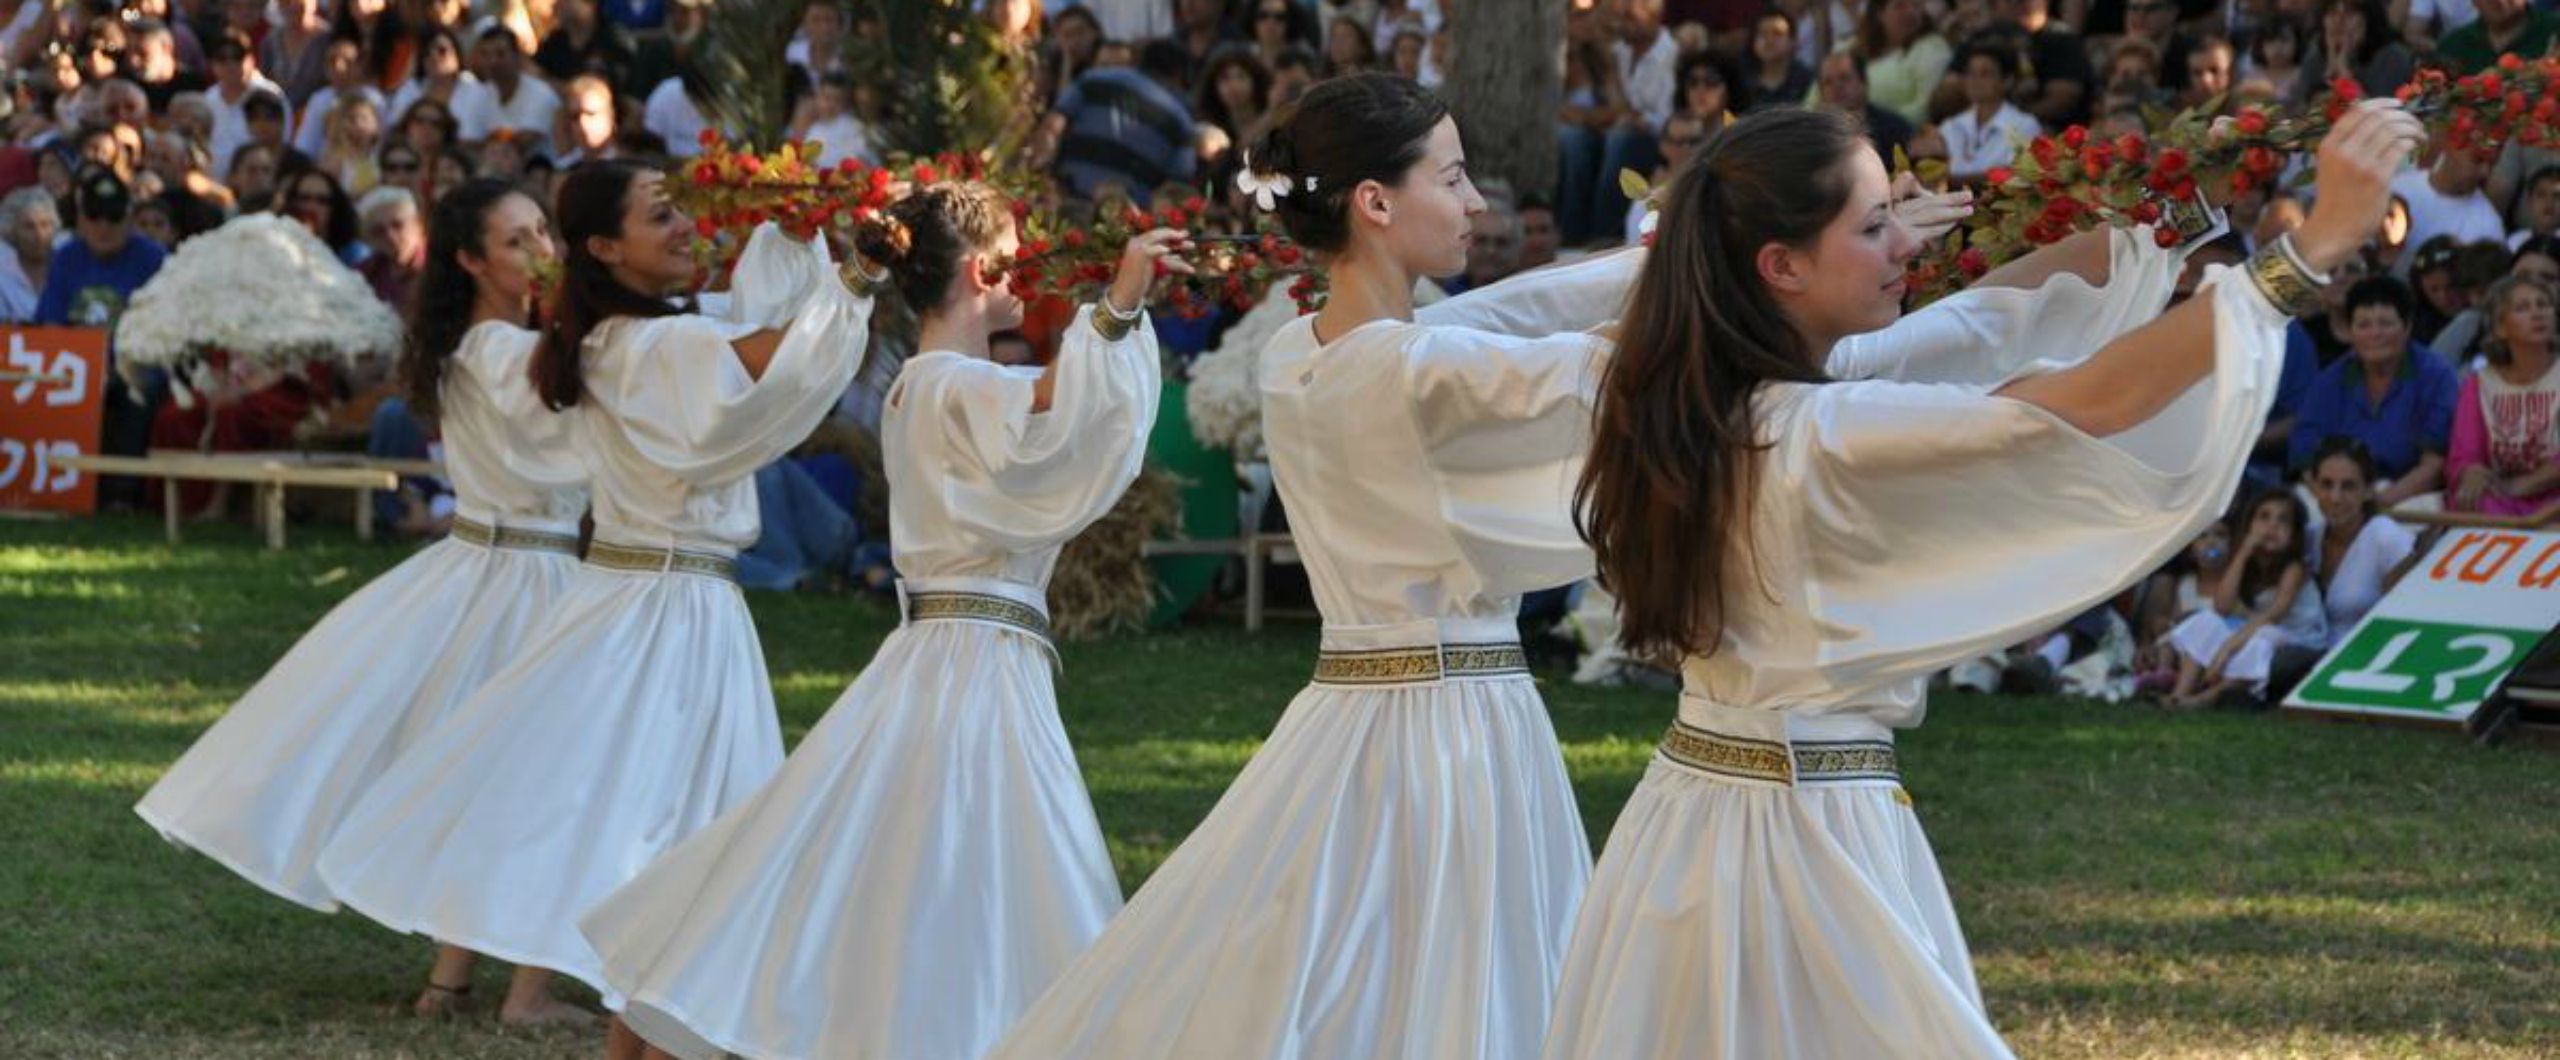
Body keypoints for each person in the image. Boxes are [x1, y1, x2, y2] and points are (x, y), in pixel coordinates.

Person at [1545, 100, 2417, 1058]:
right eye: (1873, 227)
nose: (1903, 245)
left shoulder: (1689, 396)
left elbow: (1987, 316)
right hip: (1807, 837)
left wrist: (2176, 198)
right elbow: (2085, 401)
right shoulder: (1816, 433)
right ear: (1781, 267)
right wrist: (2310, 248)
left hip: (1689, 816)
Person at [989, 72, 1642, 1060]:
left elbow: (1522, 307)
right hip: (1454, 729)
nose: (1476, 203)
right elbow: (1588, 362)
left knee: (1337, 967)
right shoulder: (1412, 366)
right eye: (1455, 178)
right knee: (1448, 973)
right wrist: (1730, 258)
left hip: (1351, 708)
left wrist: (1670, 253)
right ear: (1375, 202)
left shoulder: (1297, 353)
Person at [581, 191, 1176, 1060]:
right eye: (1016, 257)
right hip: (969, 662)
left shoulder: (933, 386)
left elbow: (1050, 405)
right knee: (968, 855)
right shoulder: (947, 386)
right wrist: (1119, 307)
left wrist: (1114, 318)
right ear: (983, 270)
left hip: (957, 651)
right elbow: (1063, 412)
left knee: (859, 853)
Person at [313, 161, 879, 1055]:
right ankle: (634, 1005)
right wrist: (859, 278)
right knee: (637, 807)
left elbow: (757, 323)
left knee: (662, 811)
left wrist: (795, 231)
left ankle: (640, 1015)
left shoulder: (654, 332)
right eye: (664, 217)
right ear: (606, 248)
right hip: (653, 608)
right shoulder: (631, 344)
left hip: (675, 600)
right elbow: (777, 354)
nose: (687, 227)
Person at [134, 178, 593, 1026]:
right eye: (519, 241)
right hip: (527, 576)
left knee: (494, 771)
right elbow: (573, 448)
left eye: (545, 234)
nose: (545, 254)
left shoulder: (480, 344)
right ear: (469, 261)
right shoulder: (502, 351)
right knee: (554, 776)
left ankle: (451, 981)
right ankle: (526, 991)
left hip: (494, 569)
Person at [2286, 275, 2459, 506]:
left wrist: (2377, 504)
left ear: (2407, 327)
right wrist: (2333, 498)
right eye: (2363, 325)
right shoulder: (2330, 380)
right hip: (2337, 490)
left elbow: (2434, 465)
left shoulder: (2437, 376)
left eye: (2385, 323)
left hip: (2408, 493)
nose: (2375, 333)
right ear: (2350, 331)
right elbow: (2306, 458)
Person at [2162, 488, 2326, 707]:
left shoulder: (2294, 568)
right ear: (2249, 525)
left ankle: (2207, 698)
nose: (2272, 525)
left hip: (2298, 638)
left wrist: (2228, 648)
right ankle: (2180, 693)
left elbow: (2275, 615)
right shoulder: (2246, 563)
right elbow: (2221, 607)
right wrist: (2244, 552)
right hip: (2258, 631)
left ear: (2295, 535)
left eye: (2283, 520)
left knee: (2262, 637)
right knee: (2205, 620)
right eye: (2264, 517)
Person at [2449, 275, 2560, 514]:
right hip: (2502, 499)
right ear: (2500, 327)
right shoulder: (2479, 384)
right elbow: (2465, 455)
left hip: (2552, 498)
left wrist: (2522, 485)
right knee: (2473, 499)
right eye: (2522, 308)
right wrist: (2472, 472)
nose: (2537, 314)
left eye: (2543, 305)